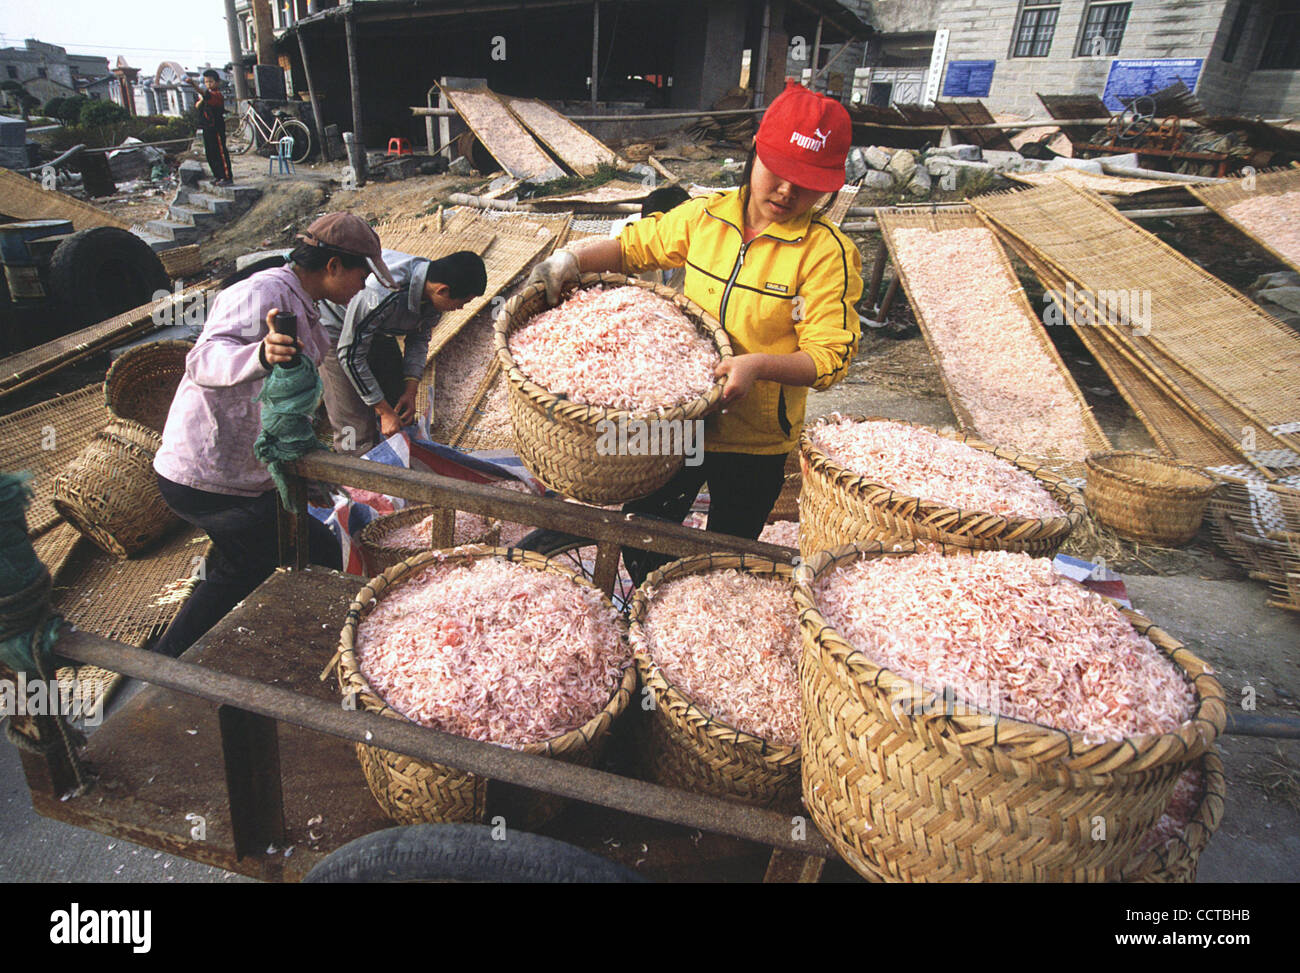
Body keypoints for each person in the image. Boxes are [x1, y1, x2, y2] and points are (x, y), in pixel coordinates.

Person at [528, 81, 863, 583]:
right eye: (779, 171)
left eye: (808, 181)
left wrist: (756, 366)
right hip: (675, 426)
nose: (789, 191)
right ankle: (645, 604)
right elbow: (631, 248)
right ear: (754, 154)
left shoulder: (825, 253)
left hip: (755, 440)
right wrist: (570, 258)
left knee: (727, 557)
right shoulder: (705, 218)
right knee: (644, 532)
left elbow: (830, 357)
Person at [151, 213, 396, 657]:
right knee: (274, 555)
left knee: (255, 552)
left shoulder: (303, 302)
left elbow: (285, 411)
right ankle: (169, 661)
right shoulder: (262, 292)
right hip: (205, 473)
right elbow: (202, 359)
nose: (363, 286)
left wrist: (303, 470)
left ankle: (199, 646)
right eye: (361, 274)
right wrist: (259, 355)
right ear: (334, 266)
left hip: (242, 470)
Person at [319, 249, 487, 456]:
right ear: (442, 290)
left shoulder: (433, 290)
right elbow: (351, 355)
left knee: (400, 408)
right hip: (337, 332)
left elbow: (419, 339)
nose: (460, 308)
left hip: (378, 329)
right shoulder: (383, 292)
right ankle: (355, 473)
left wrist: (410, 390)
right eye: (462, 302)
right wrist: (382, 410)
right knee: (355, 425)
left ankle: (401, 462)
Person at [188, 68, 233, 185]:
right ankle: (218, 176)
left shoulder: (217, 95)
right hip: (207, 127)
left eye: (211, 82)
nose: (208, 84)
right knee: (210, 153)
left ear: (217, 82)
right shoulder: (204, 96)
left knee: (220, 152)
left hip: (216, 126)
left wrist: (193, 84)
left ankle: (227, 177)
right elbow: (198, 105)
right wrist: (202, 99)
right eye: (206, 82)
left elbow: (204, 94)